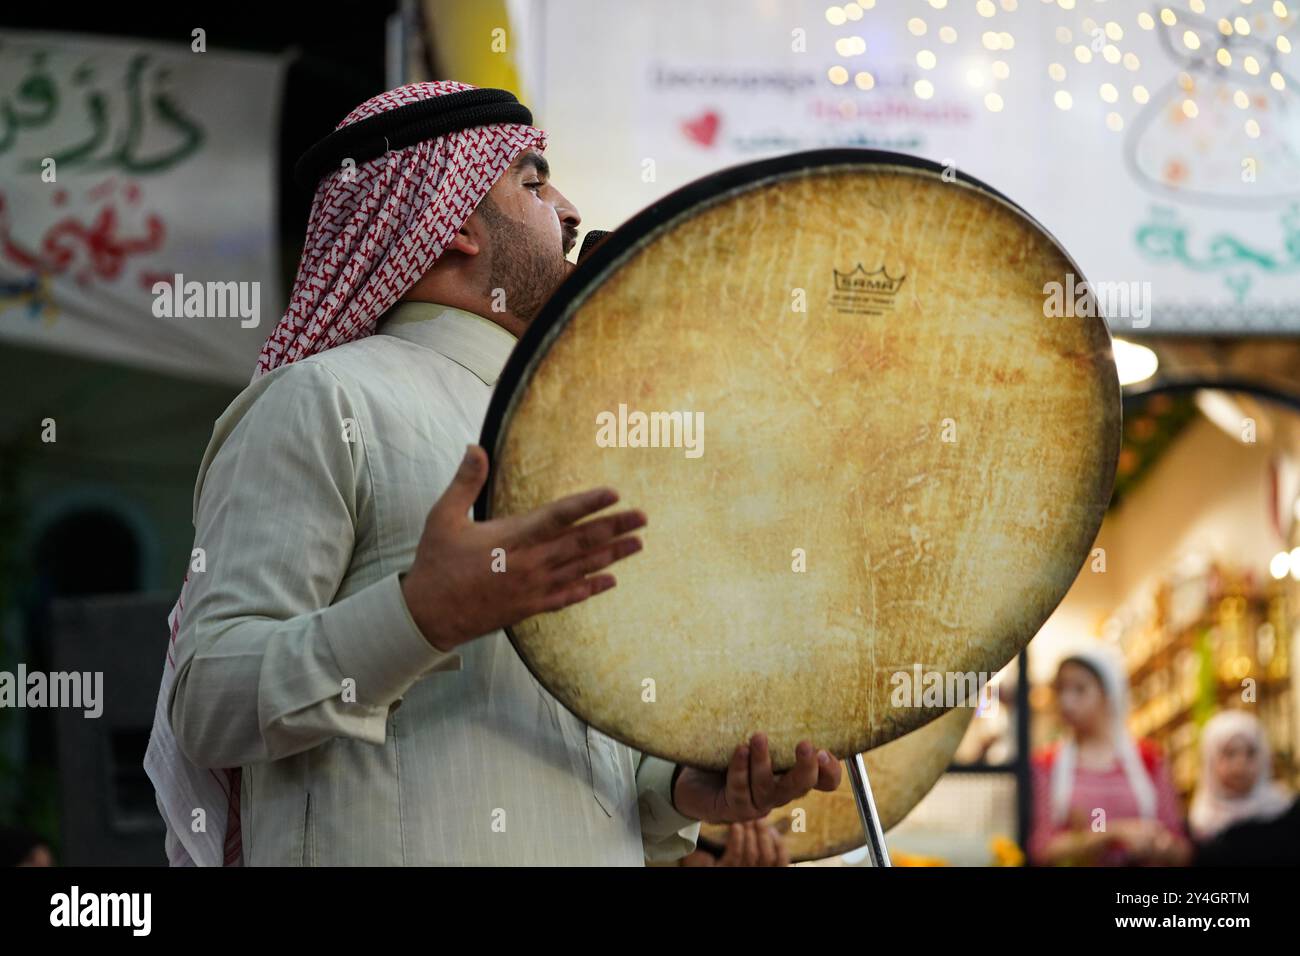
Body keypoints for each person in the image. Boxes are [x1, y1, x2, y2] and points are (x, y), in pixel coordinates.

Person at [143, 80, 841, 866]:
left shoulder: (578, 439)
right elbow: (208, 701)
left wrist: (681, 789)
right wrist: (422, 616)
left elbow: (577, 745)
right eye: (535, 182)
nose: (572, 211)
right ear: (455, 225)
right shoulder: (322, 398)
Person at [1029, 644, 1191, 866]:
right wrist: (1112, 835)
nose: (1066, 701)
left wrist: (1159, 846)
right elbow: (1042, 848)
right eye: (1061, 690)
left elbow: (1179, 846)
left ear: (1108, 694)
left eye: (1080, 689)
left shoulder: (1150, 759)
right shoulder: (1046, 764)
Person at [1188, 710, 1294, 842]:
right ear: (1210, 761)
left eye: (1250, 753)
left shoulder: (1283, 810)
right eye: (1229, 754)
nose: (1240, 764)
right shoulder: (1202, 825)